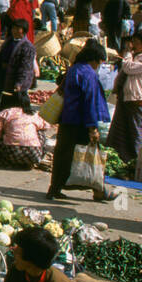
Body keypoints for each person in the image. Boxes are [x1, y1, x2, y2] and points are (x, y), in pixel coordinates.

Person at [47, 39, 110, 200]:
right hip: (79, 122)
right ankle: (99, 190)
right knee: (83, 157)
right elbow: (89, 102)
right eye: (100, 62)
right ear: (93, 59)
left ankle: (55, 188)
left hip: (68, 118)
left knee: (64, 155)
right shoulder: (88, 74)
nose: (99, 65)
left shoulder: (75, 69)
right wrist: (93, 128)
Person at [105, 28, 142, 163]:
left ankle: (135, 158)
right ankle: (121, 155)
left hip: (137, 99)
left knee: (135, 130)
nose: (133, 44)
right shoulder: (140, 55)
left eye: (136, 42)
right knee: (121, 128)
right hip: (127, 97)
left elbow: (129, 67)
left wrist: (128, 53)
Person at [0, 100, 54, 170]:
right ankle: (30, 161)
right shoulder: (33, 114)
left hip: (12, 153)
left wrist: (5, 133)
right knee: (40, 132)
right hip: (34, 154)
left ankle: (0, 159)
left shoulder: (6, 112)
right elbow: (46, 126)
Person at [0, 18, 36, 114]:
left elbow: (26, 67)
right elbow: (0, 59)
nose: (14, 31)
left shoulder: (27, 46)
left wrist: (19, 83)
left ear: (23, 31)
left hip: (14, 78)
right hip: (3, 76)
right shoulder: (8, 42)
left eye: (17, 29)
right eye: (13, 28)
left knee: (11, 106)